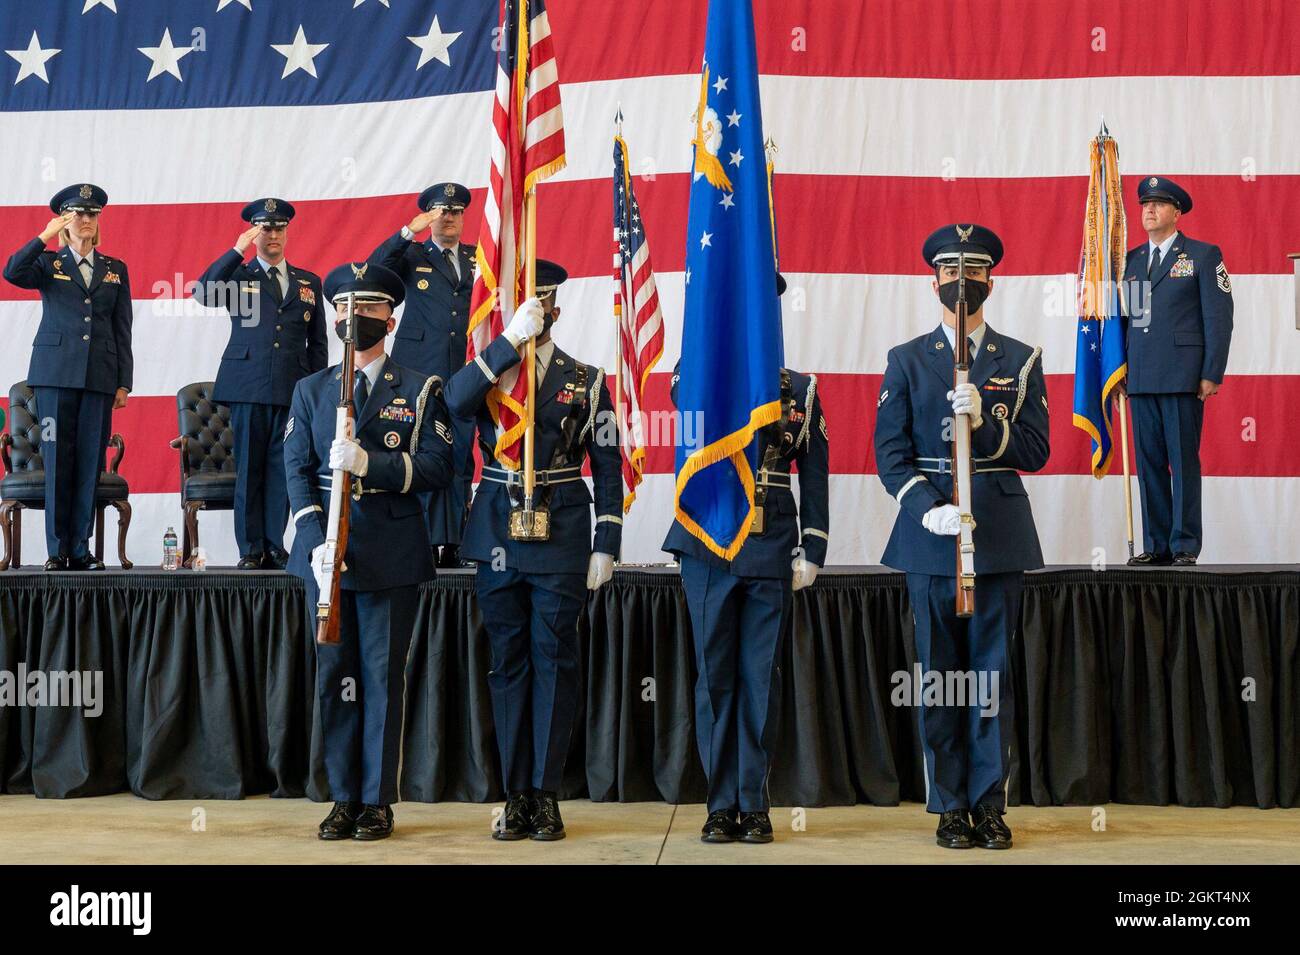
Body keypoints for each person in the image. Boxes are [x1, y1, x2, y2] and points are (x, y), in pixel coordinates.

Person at [874, 224, 1050, 850]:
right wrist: (926, 508)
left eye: (973, 273)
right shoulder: (906, 359)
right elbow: (890, 454)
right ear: (934, 283)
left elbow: (1036, 448)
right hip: (931, 539)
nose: (961, 283)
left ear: (990, 282)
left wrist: (985, 423)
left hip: (997, 534)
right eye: (950, 274)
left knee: (989, 677)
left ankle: (989, 805)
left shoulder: (1020, 358)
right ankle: (949, 805)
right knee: (940, 676)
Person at [444, 260, 621, 842]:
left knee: (555, 660)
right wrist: (506, 343)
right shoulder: (492, 367)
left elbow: (608, 464)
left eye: (542, 306)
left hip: (563, 529)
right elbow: (454, 402)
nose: (536, 314)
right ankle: (513, 793)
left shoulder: (587, 378)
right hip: (497, 527)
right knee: (507, 662)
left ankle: (545, 795)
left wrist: (607, 541)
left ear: (557, 310)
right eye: (526, 305)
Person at [284, 262, 454, 841]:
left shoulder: (421, 387)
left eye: (368, 308)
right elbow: (296, 471)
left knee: (382, 678)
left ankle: (377, 800)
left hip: (389, 552)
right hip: (327, 559)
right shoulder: (310, 390)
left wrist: (370, 464)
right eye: (344, 308)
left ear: (391, 317)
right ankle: (341, 797)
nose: (353, 317)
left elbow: (439, 467)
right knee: (335, 679)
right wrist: (313, 544)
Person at [662, 274, 830, 845]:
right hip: (707, 541)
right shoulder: (699, 372)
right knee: (715, 677)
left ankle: (754, 803)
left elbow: (816, 474)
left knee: (759, 677)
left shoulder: (800, 390)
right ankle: (719, 803)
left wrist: (817, 545)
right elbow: (684, 406)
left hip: (770, 542)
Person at [3, 184, 132, 571]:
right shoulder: (47, 263)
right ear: (65, 220)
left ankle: (81, 548)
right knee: (58, 458)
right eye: (78, 214)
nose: (87, 220)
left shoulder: (115, 269)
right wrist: (44, 235)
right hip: (54, 378)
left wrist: (124, 381)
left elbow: (122, 327)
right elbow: (12, 271)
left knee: (90, 460)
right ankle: (57, 551)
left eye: (92, 214)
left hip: (99, 377)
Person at [194, 197, 327, 569]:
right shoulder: (239, 276)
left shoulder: (307, 282)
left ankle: (274, 543)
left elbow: (317, 343)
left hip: (291, 388)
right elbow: (203, 292)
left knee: (283, 470)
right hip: (248, 386)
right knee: (250, 469)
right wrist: (237, 250)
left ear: (287, 232)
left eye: (278, 228)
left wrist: (315, 391)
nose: (272, 234)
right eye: (265, 228)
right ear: (254, 233)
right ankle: (251, 549)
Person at [1122, 176, 1233, 566]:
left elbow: (1218, 318)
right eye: (1144, 204)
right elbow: (1131, 318)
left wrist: (1211, 372)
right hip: (1141, 378)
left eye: (1158, 204)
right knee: (1148, 462)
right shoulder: (1132, 261)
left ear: (1177, 212)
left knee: (1183, 462)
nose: (1148, 210)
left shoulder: (1202, 256)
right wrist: (1120, 373)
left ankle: (1184, 543)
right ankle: (1156, 544)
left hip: (1184, 377)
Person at [369, 183, 477, 568]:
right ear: (429, 216)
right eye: (440, 211)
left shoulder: (477, 256)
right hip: (419, 370)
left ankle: (455, 542)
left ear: (464, 216)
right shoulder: (413, 254)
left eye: (455, 211)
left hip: (466, 369)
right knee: (424, 450)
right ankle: (427, 541)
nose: (447, 217)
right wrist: (407, 232)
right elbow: (373, 272)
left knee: (461, 455)